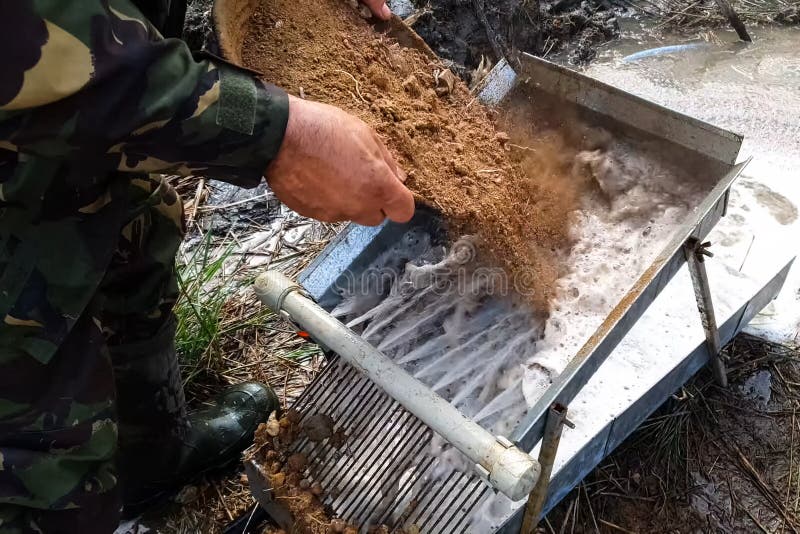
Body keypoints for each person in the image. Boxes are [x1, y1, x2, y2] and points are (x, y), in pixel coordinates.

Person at [0, 0, 415, 532]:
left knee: (133, 239)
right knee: (36, 463)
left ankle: (152, 461)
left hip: (66, 153)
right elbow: (34, 44)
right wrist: (274, 132)